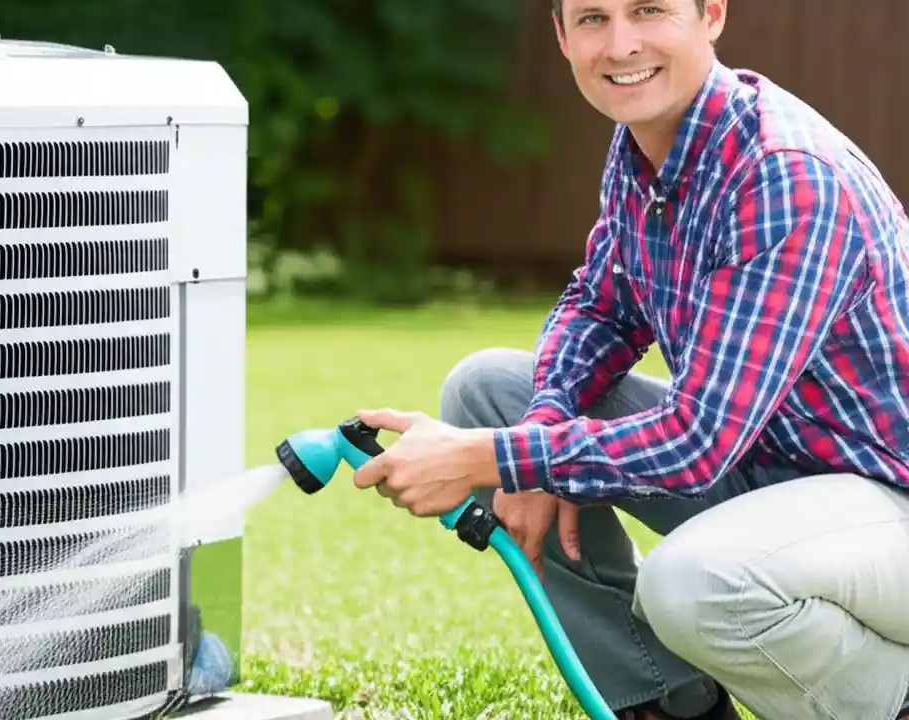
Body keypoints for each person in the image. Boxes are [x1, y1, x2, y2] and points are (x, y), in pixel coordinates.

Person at [348, 1, 909, 718]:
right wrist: (539, 429)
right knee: (490, 389)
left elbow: (698, 441)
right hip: (779, 470)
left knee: (692, 582)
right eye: (592, 18)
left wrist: (504, 461)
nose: (620, 45)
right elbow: (602, 308)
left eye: (647, 10)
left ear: (711, 14)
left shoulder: (784, 175)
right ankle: (666, 701)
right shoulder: (648, 147)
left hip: (887, 498)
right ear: (561, 36)